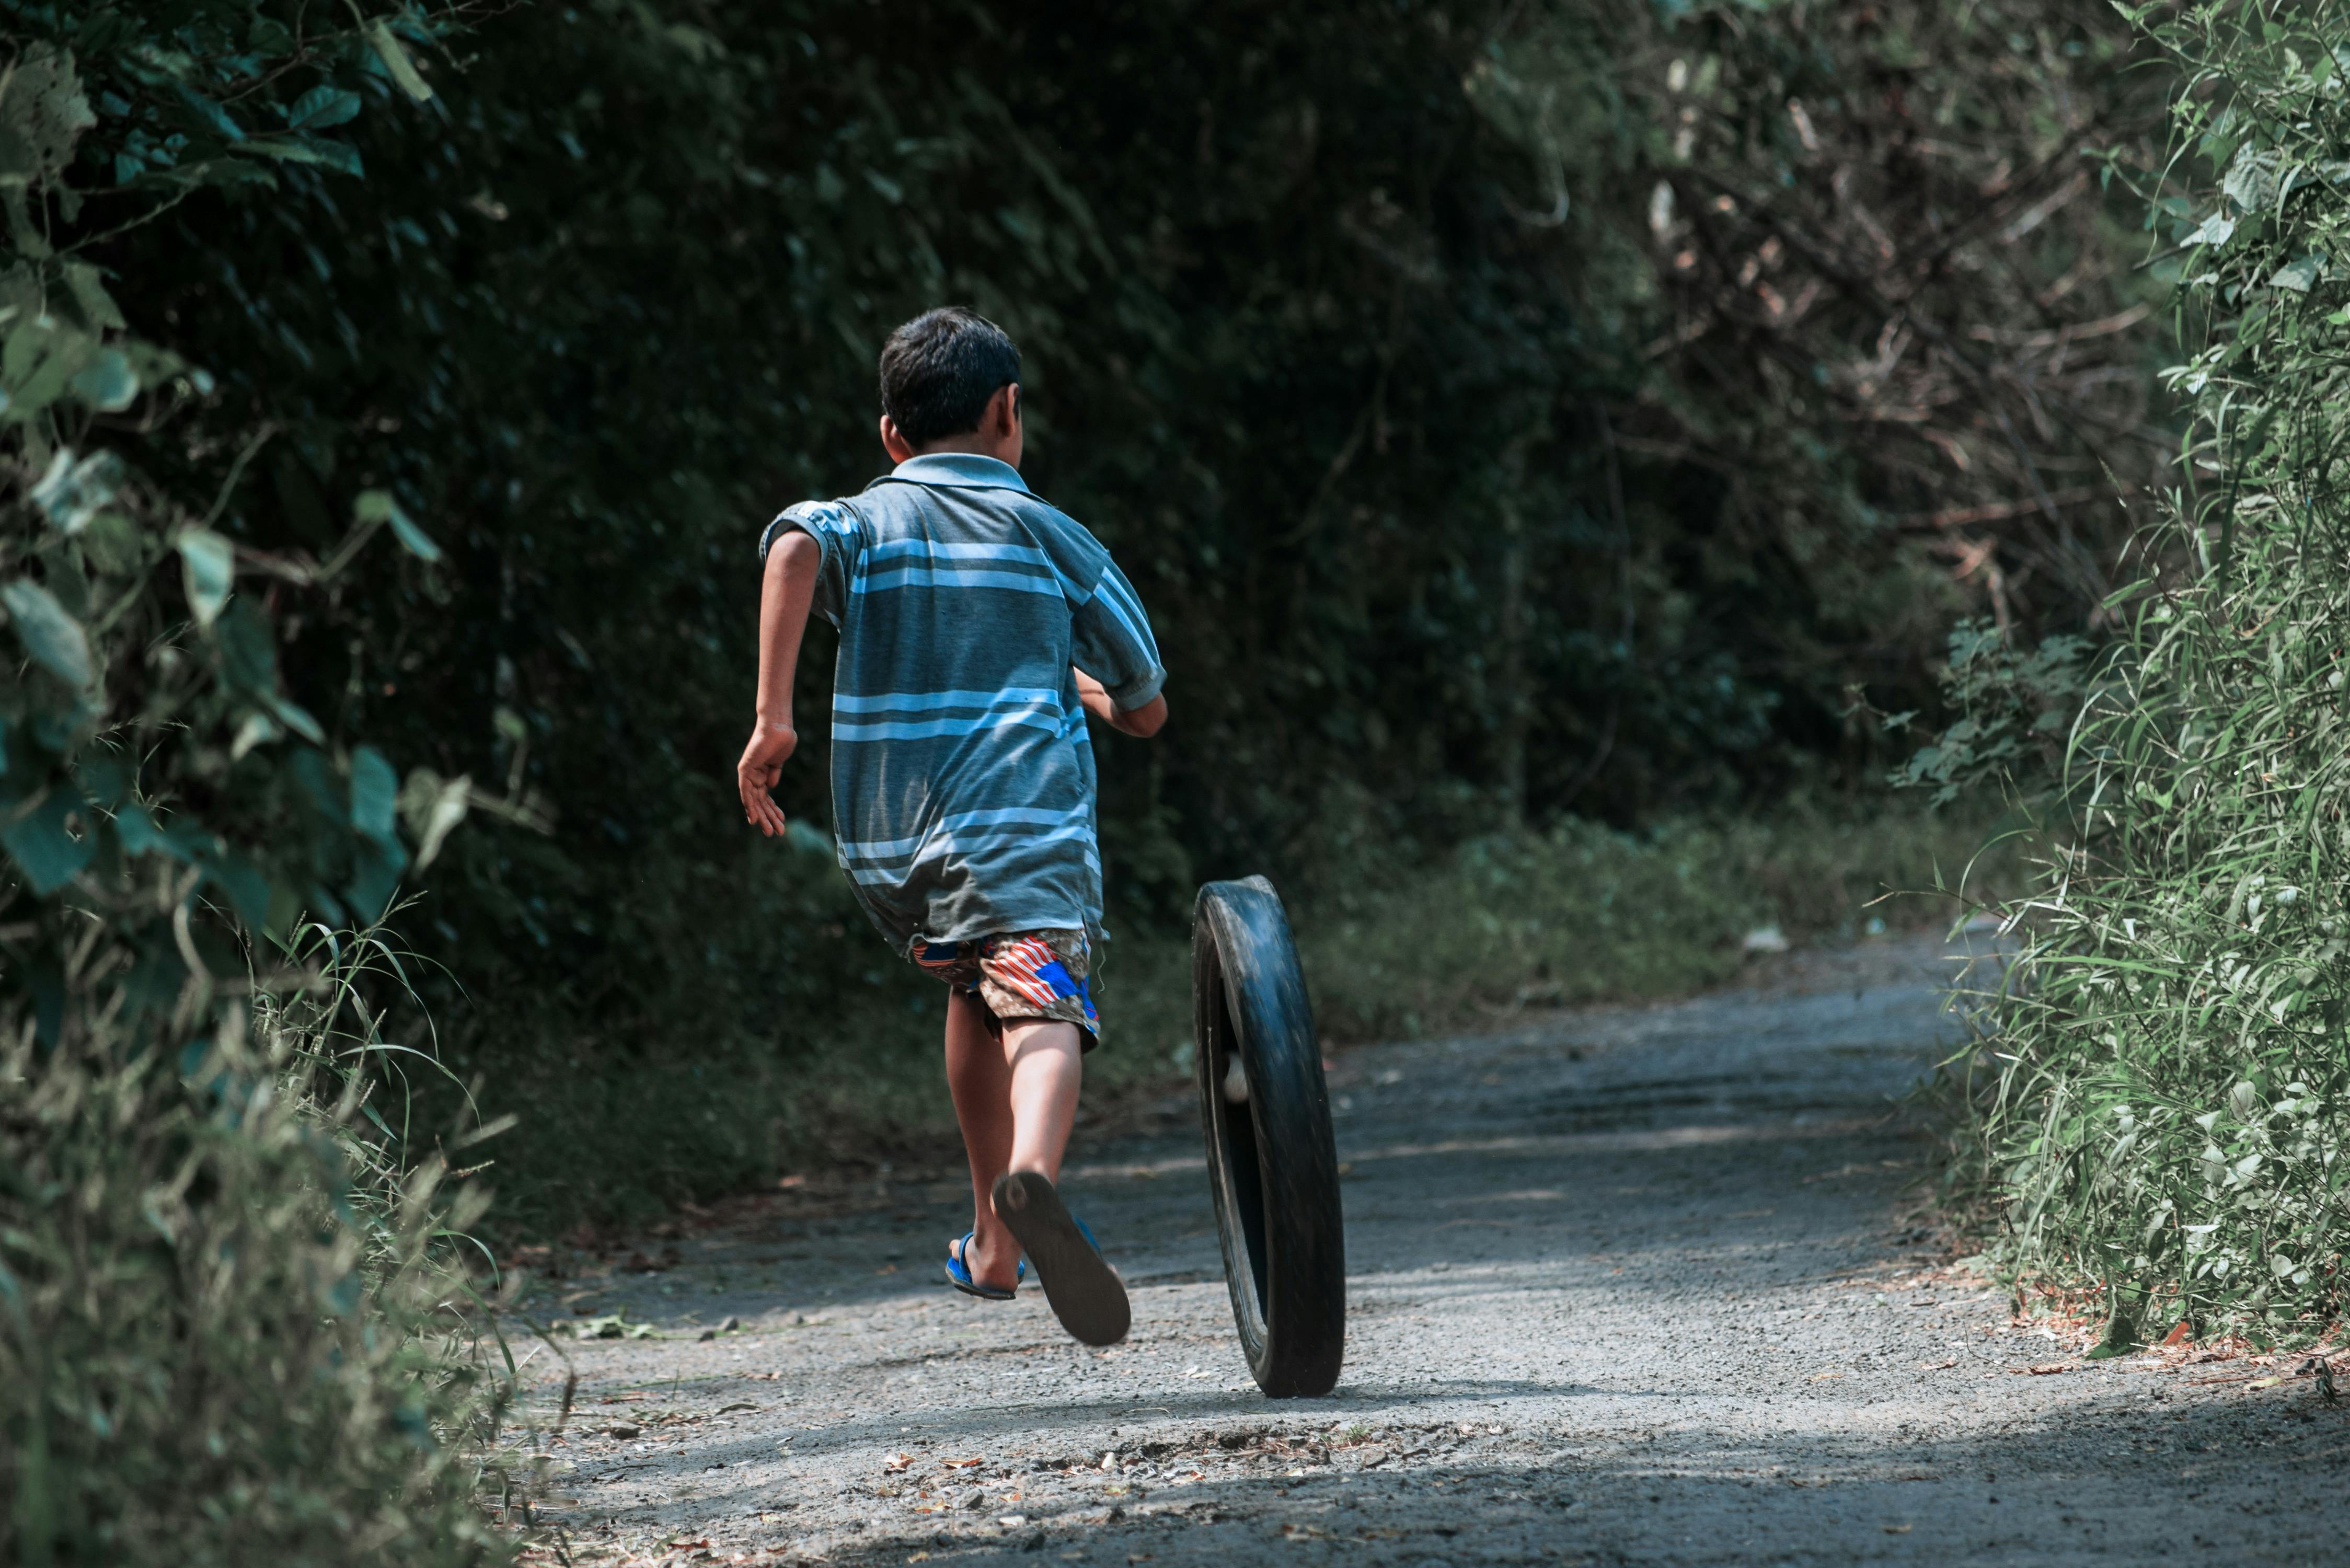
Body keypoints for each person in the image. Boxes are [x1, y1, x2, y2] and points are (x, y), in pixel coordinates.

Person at [734, 307, 1167, 1347]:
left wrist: (772, 722)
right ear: (1009, 412)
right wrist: (1099, 697)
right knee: (1046, 999)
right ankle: (1030, 1178)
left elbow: (792, 543)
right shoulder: (1054, 536)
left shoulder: (864, 524)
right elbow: (1147, 700)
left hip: (897, 849)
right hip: (1023, 829)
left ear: (892, 436)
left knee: (978, 992)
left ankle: (994, 1244)